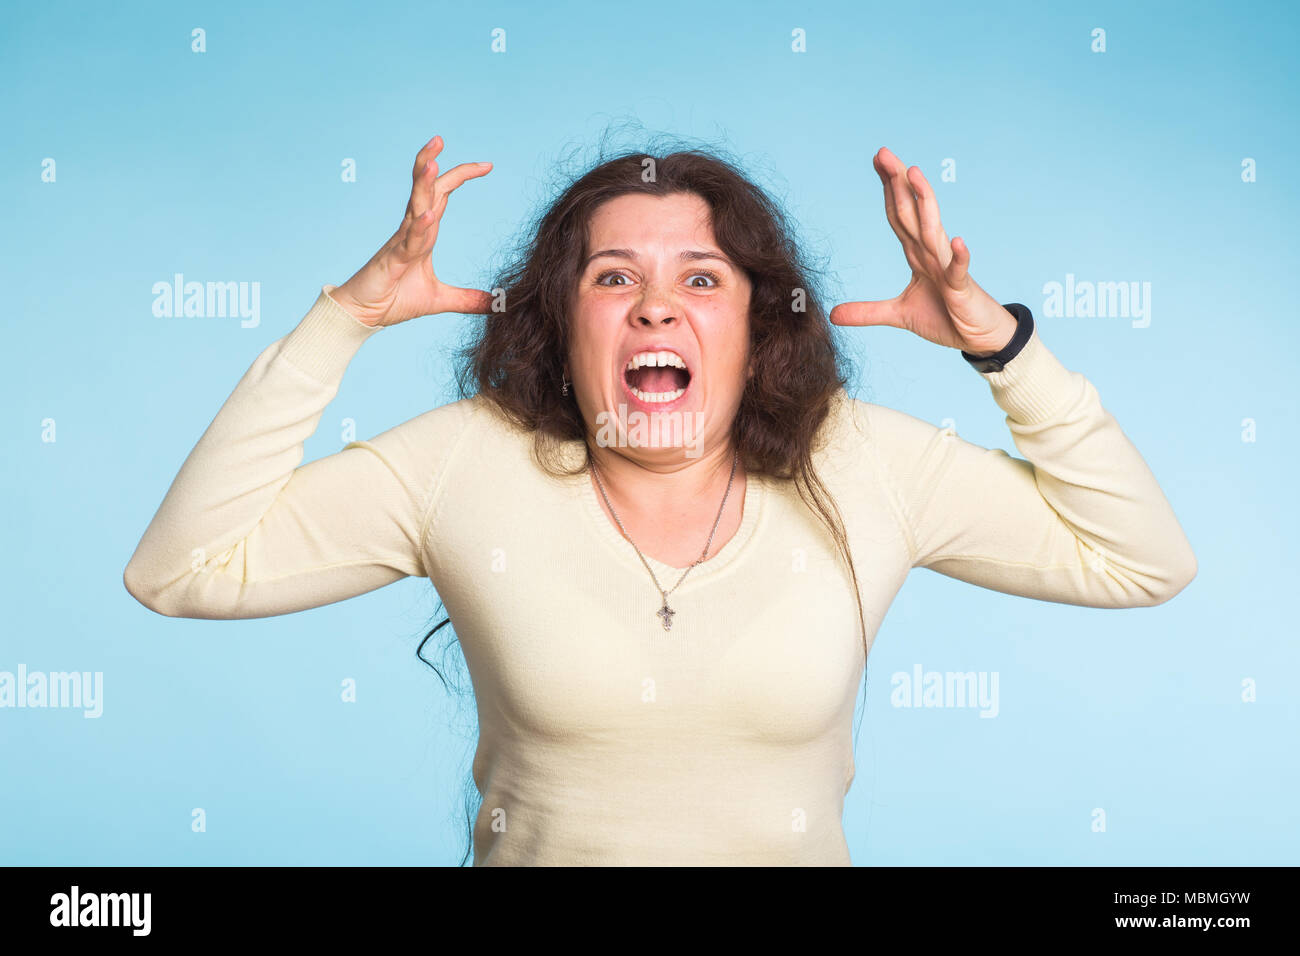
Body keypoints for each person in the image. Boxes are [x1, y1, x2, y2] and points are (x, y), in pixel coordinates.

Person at [123, 135, 1197, 866]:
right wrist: (344, 319)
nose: (652, 308)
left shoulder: (862, 463)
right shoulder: (467, 462)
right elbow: (178, 570)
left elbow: (1141, 558)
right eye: (609, 278)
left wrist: (1001, 348)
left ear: (754, 325)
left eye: (699, 278)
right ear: (562, 320)